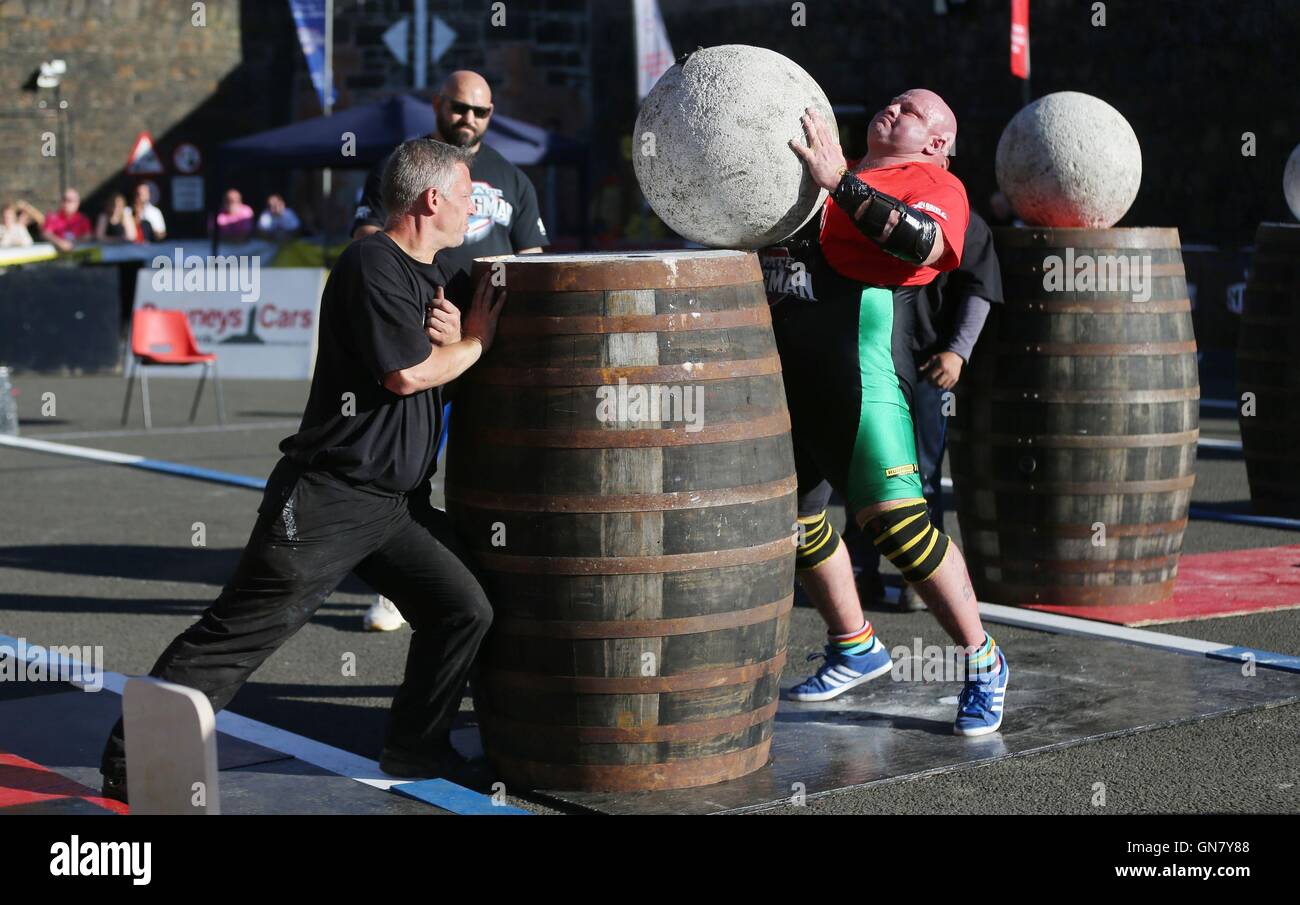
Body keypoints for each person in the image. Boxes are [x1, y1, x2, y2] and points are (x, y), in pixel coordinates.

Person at [98, 138, 507, 803]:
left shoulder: (430, 276)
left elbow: (433, 380)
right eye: (466, 198)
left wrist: (457, 339)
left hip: (393, 506)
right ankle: (133, 762)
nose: (472, 212)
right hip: (327, 496)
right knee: (240, 633)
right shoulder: (370, 263)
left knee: (464, 607)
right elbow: (405, 377)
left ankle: (416, 744)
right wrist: (475, 342)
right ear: (432, 199)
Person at [760, 89, 1008, 736]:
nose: (893, 110)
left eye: (912, 111)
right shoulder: (818, 167)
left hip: (861, 366)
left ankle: (984, 658)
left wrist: (839, 182)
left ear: (936, 143)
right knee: (793, 520)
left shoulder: (934, 181)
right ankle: (855, 643)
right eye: (893, 102)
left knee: (898, 527)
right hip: (789, 370)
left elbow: (924, 243)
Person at [352, 70, 549, 632]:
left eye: (480, 111)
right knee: (412, 461)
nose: (469, 118)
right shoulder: (405, 167)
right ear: (439, 105)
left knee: (500, 461)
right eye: (459, 107)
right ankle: (398, 585)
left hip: (490, 341)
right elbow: (370, 243)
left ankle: (489, 572)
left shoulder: (512, 178)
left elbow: (532, 260)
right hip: (422, 335)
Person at [844, 201, 1003, 611]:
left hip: (931, 367)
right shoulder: (872, 205)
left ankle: (923, 577)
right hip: (875, 362)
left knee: (923, 475)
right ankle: (861, 572)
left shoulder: (965, 219)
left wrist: (958, 353)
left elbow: (978, 289)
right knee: (865, 468)